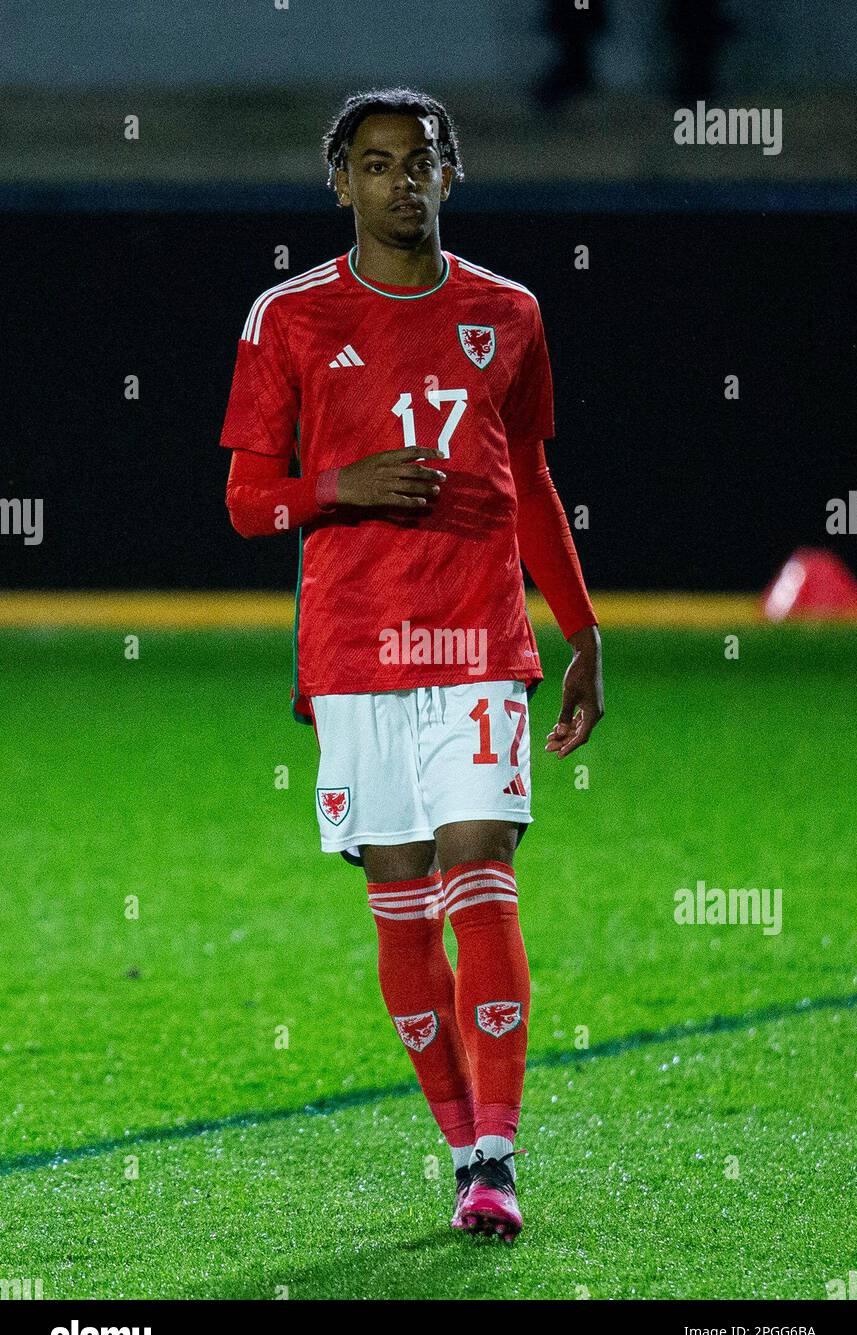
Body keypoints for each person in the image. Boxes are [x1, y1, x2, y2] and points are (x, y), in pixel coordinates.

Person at [220, 88, 603, 1242]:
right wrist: (339, 486)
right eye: (375, 163)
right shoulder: (284, 318)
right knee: (400, 911)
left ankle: (496, 1155)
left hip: (478, 638)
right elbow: (245, 503)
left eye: (419, 160)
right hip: (356, 652)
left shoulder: (510, 313)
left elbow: (529, 480)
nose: (401, 181)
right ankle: (454, 1145)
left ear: (451, 173)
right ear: (339, 182)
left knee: (479, 871)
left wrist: (578, 630)